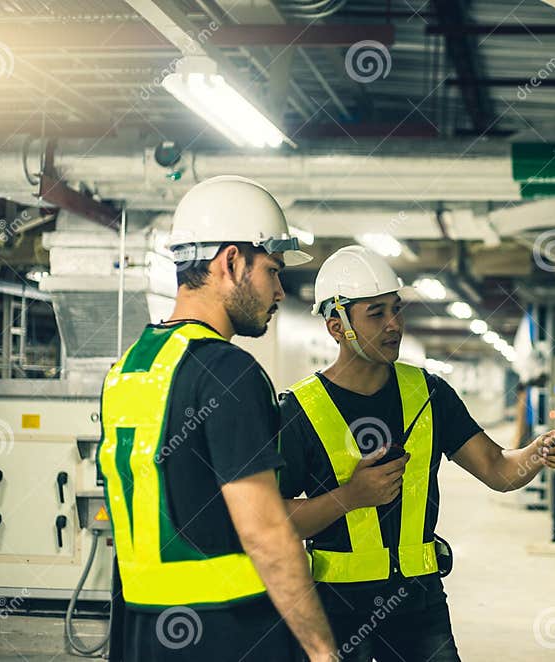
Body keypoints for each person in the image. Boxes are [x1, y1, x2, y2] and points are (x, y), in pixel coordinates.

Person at [277, 245, 555, 661]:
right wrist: (350, 497)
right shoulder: (299, 411)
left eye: (397, 309)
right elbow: (275, 520)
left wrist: (538, 453)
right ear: (337, 326)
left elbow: (498, 470)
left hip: (418, 603)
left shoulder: (429, 394)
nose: (394, 324)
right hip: (336, 608)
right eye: (376, 313)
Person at [97, 176, 336, 661]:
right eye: (272, 271)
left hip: (142, 636)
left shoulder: (127, 369)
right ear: (230, 262)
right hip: (230, 633)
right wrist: (321, 650)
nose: (280, 291)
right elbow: (266, 534)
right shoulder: (228, 371)